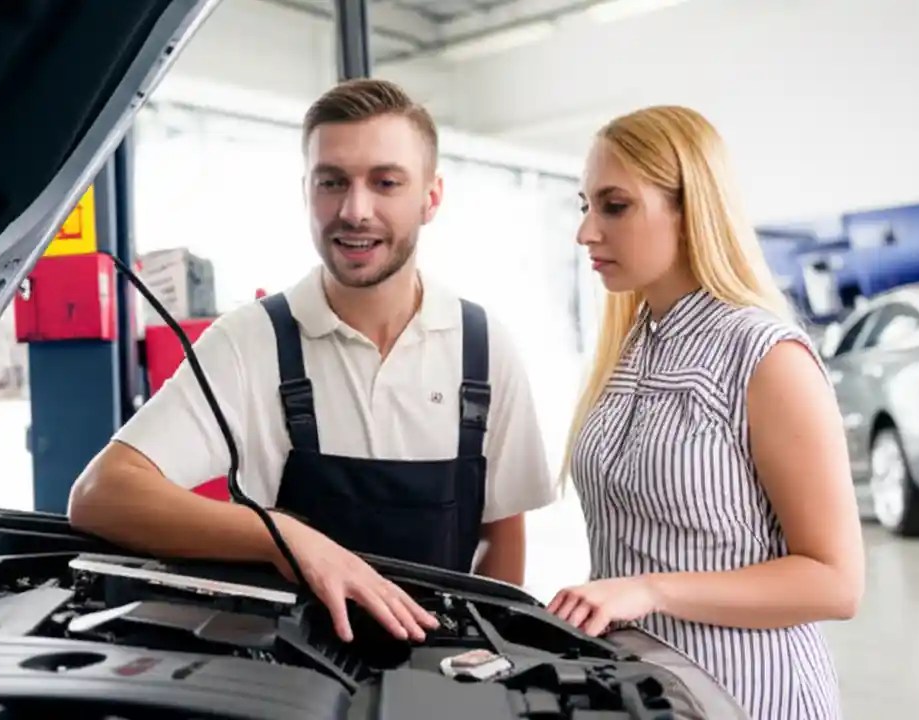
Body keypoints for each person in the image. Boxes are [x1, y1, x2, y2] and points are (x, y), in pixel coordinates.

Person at [68, 78, 556, 646]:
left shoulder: (485, 347)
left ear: (431, 197)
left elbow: (502, 535)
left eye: (386, 182)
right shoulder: (251, 343)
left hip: (439, 674)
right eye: (332, 182)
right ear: (307, 191)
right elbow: (101, 494)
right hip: (291, 675)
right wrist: (283, 536)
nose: (355, 210)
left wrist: (485, 667)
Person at [546, 106, 864, 720]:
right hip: (643, 694)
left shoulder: (767, 357)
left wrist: (651, 590)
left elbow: (835, 582)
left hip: (748, 698)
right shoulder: (631, 345)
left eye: (615, 206)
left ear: (690, 212)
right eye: (585, 205)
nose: (586, 231)